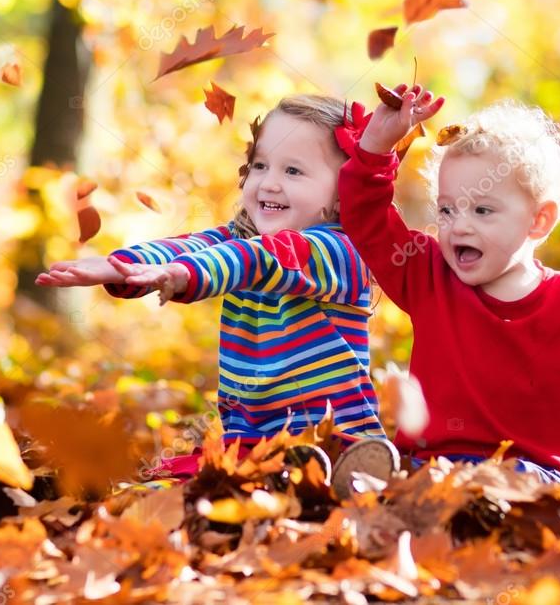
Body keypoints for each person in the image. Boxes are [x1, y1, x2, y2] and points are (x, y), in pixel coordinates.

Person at [335, 84, 560, 495]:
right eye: (447, 209)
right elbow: (367, 219)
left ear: (538, 221)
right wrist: (375, 149)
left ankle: (451, 503)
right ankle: (386, 493)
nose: (459, 225)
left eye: (483, 210)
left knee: (517, 482)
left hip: (533, 474)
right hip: (433, 464)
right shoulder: (427, 274)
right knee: (397, 470)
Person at [37, 94, 399, 497]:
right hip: (251, 436)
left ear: (342, 192)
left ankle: (345, 479)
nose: (269, 182)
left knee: (288, 479)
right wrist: (122, 266)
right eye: (260, 165)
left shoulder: (341, 251)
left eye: (293, 170)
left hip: (335, 434)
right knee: (176, 488)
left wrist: (186, 275)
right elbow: (193, 246)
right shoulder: (242, 238)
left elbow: (256, 261)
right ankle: (273, 481)